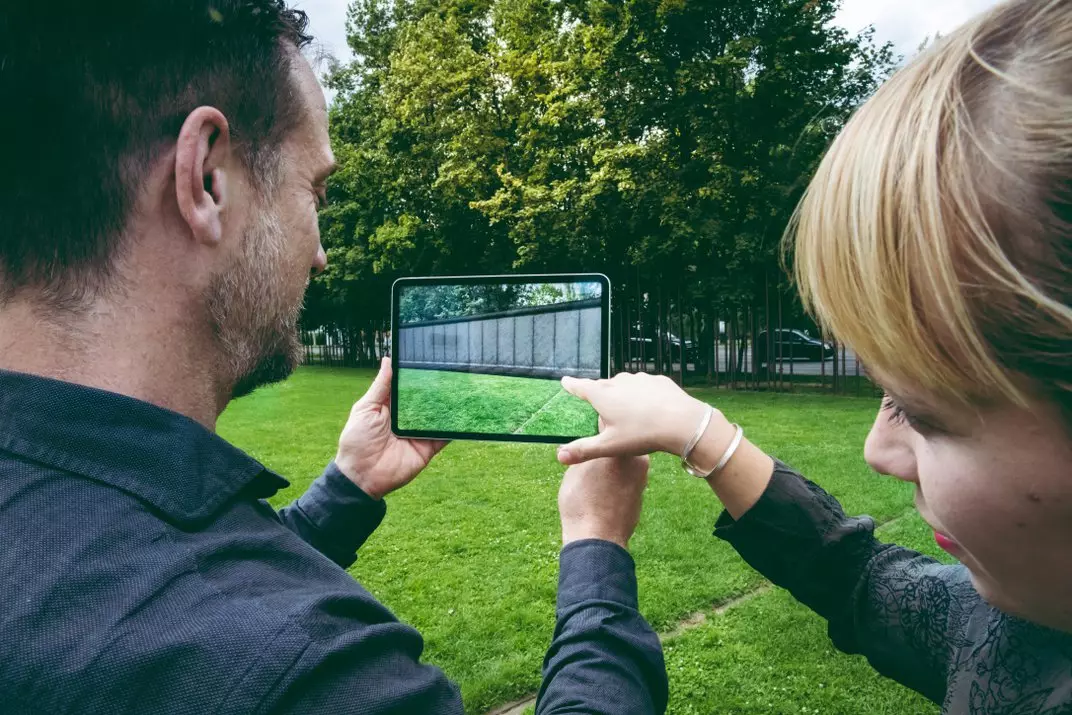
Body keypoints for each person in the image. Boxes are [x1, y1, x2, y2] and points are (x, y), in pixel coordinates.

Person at [0, 3, 666, 713]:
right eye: (314, 190)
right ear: (206, 179)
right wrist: (598, 545)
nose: (320, 254)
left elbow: (135, 571)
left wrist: (347, 489)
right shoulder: (303, 672)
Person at [557, 0, 1072, 712]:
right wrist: (694, 429)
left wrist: (591, 541)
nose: (878, 449)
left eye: (920, 412)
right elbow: (855, 575)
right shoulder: (1034, 631)